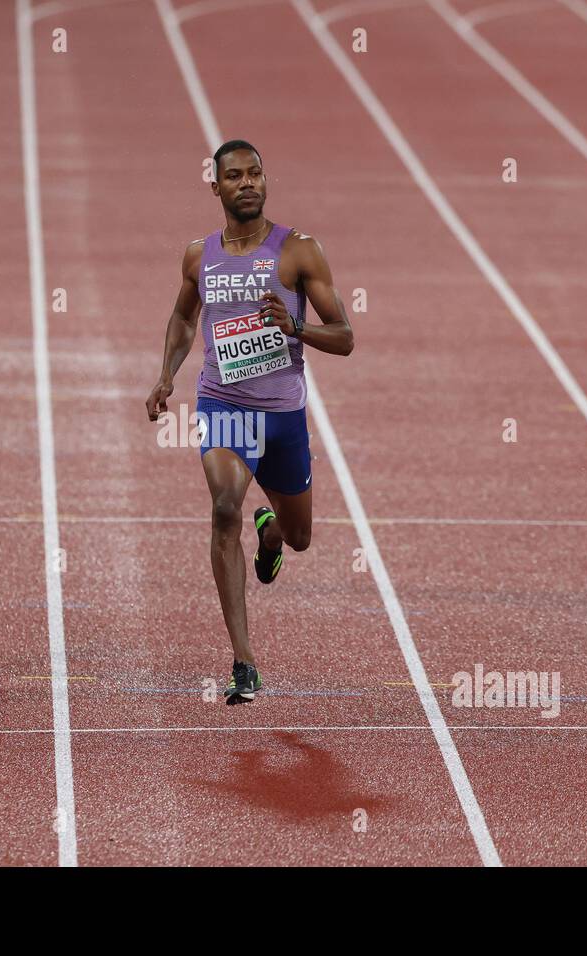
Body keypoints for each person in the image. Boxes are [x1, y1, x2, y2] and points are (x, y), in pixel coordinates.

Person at [146, 140, 354, 704]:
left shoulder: (299, 252)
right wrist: (167, 374)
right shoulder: (199, 256)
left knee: (302, 538)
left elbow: (346, 338)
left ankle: (272, 534)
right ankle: (244, 660)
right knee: (221, 508)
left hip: (282, 416)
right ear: (215, 186)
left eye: (255, 173)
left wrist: (296, 328)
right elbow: (183, 318)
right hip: (224, 407)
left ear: (266, 180)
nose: (247, 183)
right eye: (234, 176)